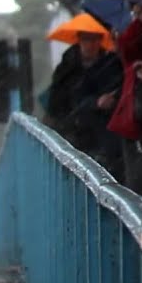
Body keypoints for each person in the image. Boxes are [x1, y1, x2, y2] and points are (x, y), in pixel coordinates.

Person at [103, 3, 142, 211]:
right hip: (140, 129)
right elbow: (127, 44)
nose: (141, 22)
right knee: (139, 197)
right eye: (136, 15)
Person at [54, 32, 125, 177]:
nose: (90, 45)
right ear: (79, 41)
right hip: (76, 130)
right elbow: (62, 99)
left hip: (104, 133)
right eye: (86, 40)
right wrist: (94, 103)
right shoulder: (68, 67)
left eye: (94, 40)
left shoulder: (110, 65)